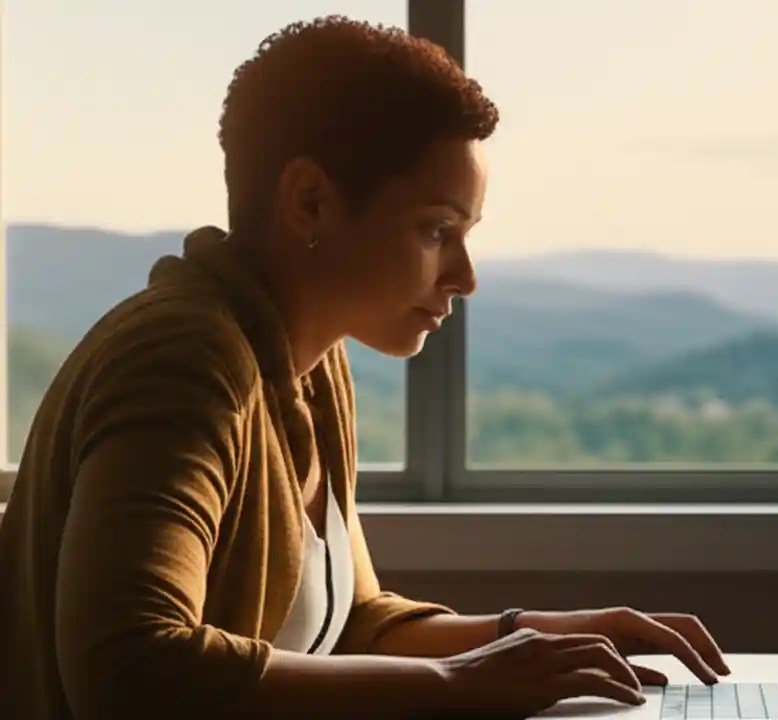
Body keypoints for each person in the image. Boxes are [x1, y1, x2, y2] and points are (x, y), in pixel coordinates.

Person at [0, 16, 731, 719]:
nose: (465, 276)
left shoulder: (312, 366)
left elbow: (344, 626)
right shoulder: (184, 363)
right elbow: (128, 669)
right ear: (311, 201)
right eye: (436, 230)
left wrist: (529, 635)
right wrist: (452, 685)